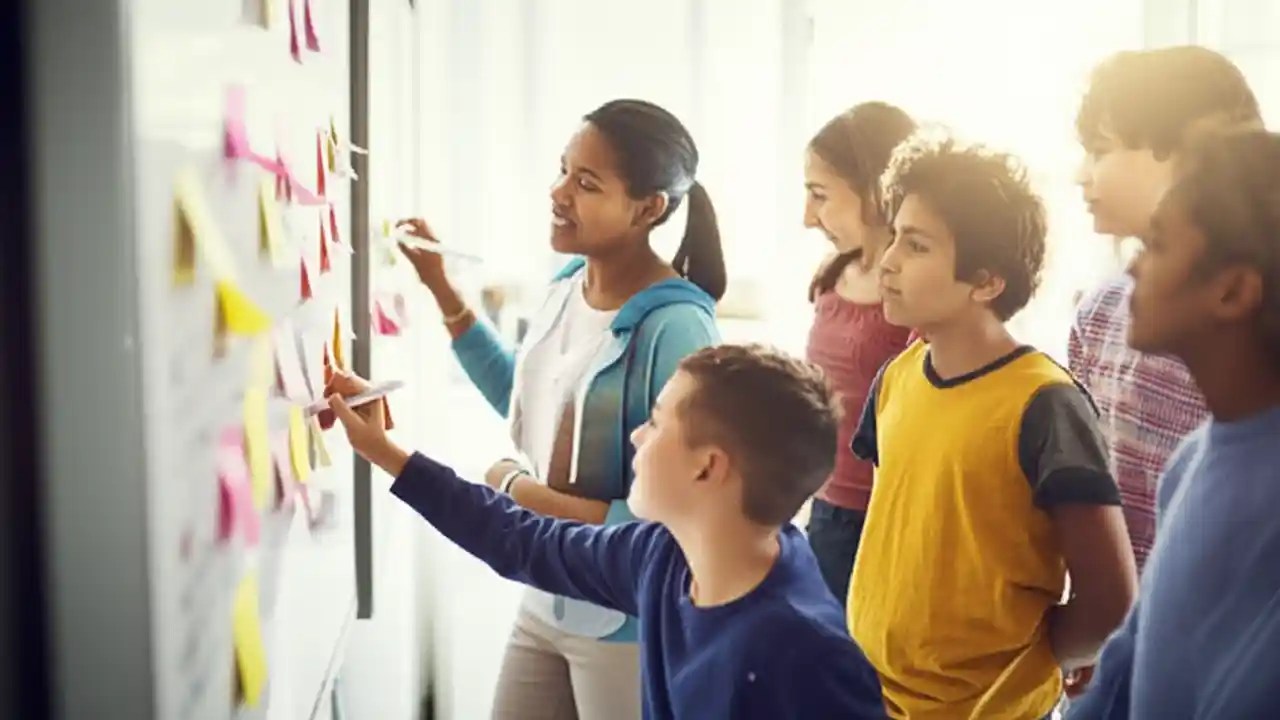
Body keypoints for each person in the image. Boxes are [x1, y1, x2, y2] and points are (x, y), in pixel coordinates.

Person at [326, 345, 888, 719]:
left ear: (707, 467)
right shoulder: (662, 555)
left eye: (658, 421)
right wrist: (387, 453)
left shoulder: (806, 653)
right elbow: (523, 540)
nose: (639, 436)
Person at [396, 99, 723, 720]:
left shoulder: (678, 326)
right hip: (546, 590)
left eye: (587, 183)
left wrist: (522, 494)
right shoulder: (568, 284)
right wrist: (439, 285)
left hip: (626, 617)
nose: (558, 192)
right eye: (563, 170)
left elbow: (683, 513)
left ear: (648, 209)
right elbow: (526, 405)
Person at [848, 134, 1138, 718]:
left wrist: (1037, 666)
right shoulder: (898, 376)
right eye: (894, 236)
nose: (888, 261)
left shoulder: (1044, 404)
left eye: (917, 245)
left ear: (986, 281)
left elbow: (1110, 597)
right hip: (877, 697)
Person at [1069, 129, 1280, 719]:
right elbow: (1126, 663)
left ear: (1232, 291)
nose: (1134, 266)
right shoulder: (1192, 459)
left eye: (1157, 245)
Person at [1069, 46, 1262, 574]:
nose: (1081, 175)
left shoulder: (1245, 318)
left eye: (1099, 151)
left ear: (1183, 153)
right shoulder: (1099, 314)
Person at [801, 102, 915, 605]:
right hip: (826, 510)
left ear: (874, 189)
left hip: (885, 519)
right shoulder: (833, 277)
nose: (809, 217)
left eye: (820, 195)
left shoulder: (914, 293)